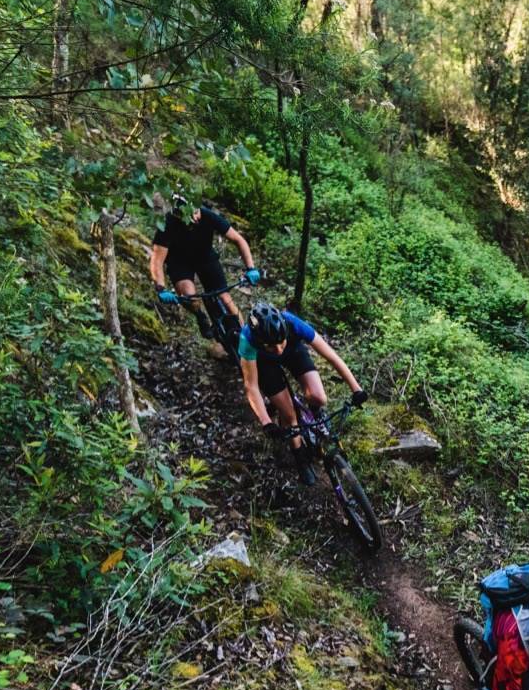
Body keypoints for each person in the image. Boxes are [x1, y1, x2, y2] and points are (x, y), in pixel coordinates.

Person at [237, 301, 369, 484]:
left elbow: (331, 355)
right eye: (271, 346)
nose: (278, 349)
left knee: (319, 397)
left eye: (280, 342)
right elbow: (251, 386)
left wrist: (356, 389)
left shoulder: (292, 323)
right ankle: (300, 459)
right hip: (265, 364)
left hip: (294, 350)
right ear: (260, 342)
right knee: (289, 416)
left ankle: (315, 412)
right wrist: (266, 422)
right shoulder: (248, 340)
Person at [149, 193, 258, 355]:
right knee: (189, 296)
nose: (196, 217)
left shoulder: (208, 216)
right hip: (179, 262)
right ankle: (200, 315)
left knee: (226, 300)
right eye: (190, 215)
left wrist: (251, 268)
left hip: (205, 257)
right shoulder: (168, 223)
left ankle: (247, 339)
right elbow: (157, 259)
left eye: (197, 211)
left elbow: (238, 240)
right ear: (179, 214)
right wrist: (161, 288)